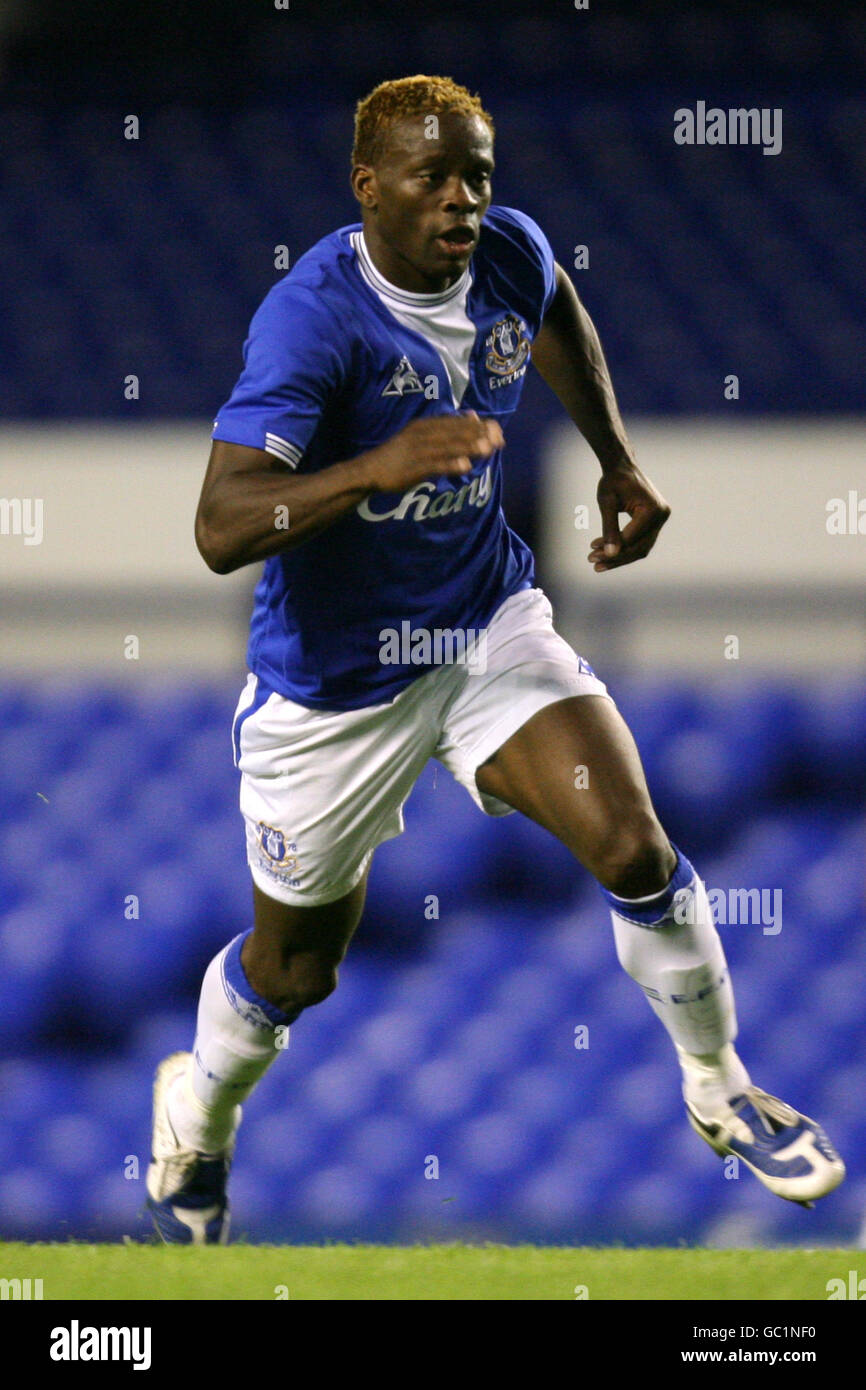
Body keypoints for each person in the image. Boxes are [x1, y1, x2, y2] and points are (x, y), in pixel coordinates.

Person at [146, 75, 844, 1244]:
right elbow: (221, 525)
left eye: (477, 174)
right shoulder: (312, 320)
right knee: (295, 969)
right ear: (367, 188)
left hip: (481, 629)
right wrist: (372, 467)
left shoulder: (507, 250)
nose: (463, 200)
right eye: (433, 178)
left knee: (631, 843)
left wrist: (615, 460)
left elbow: (554, 307)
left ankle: (721, 1085)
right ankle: (197, 1123)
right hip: (332, 691)